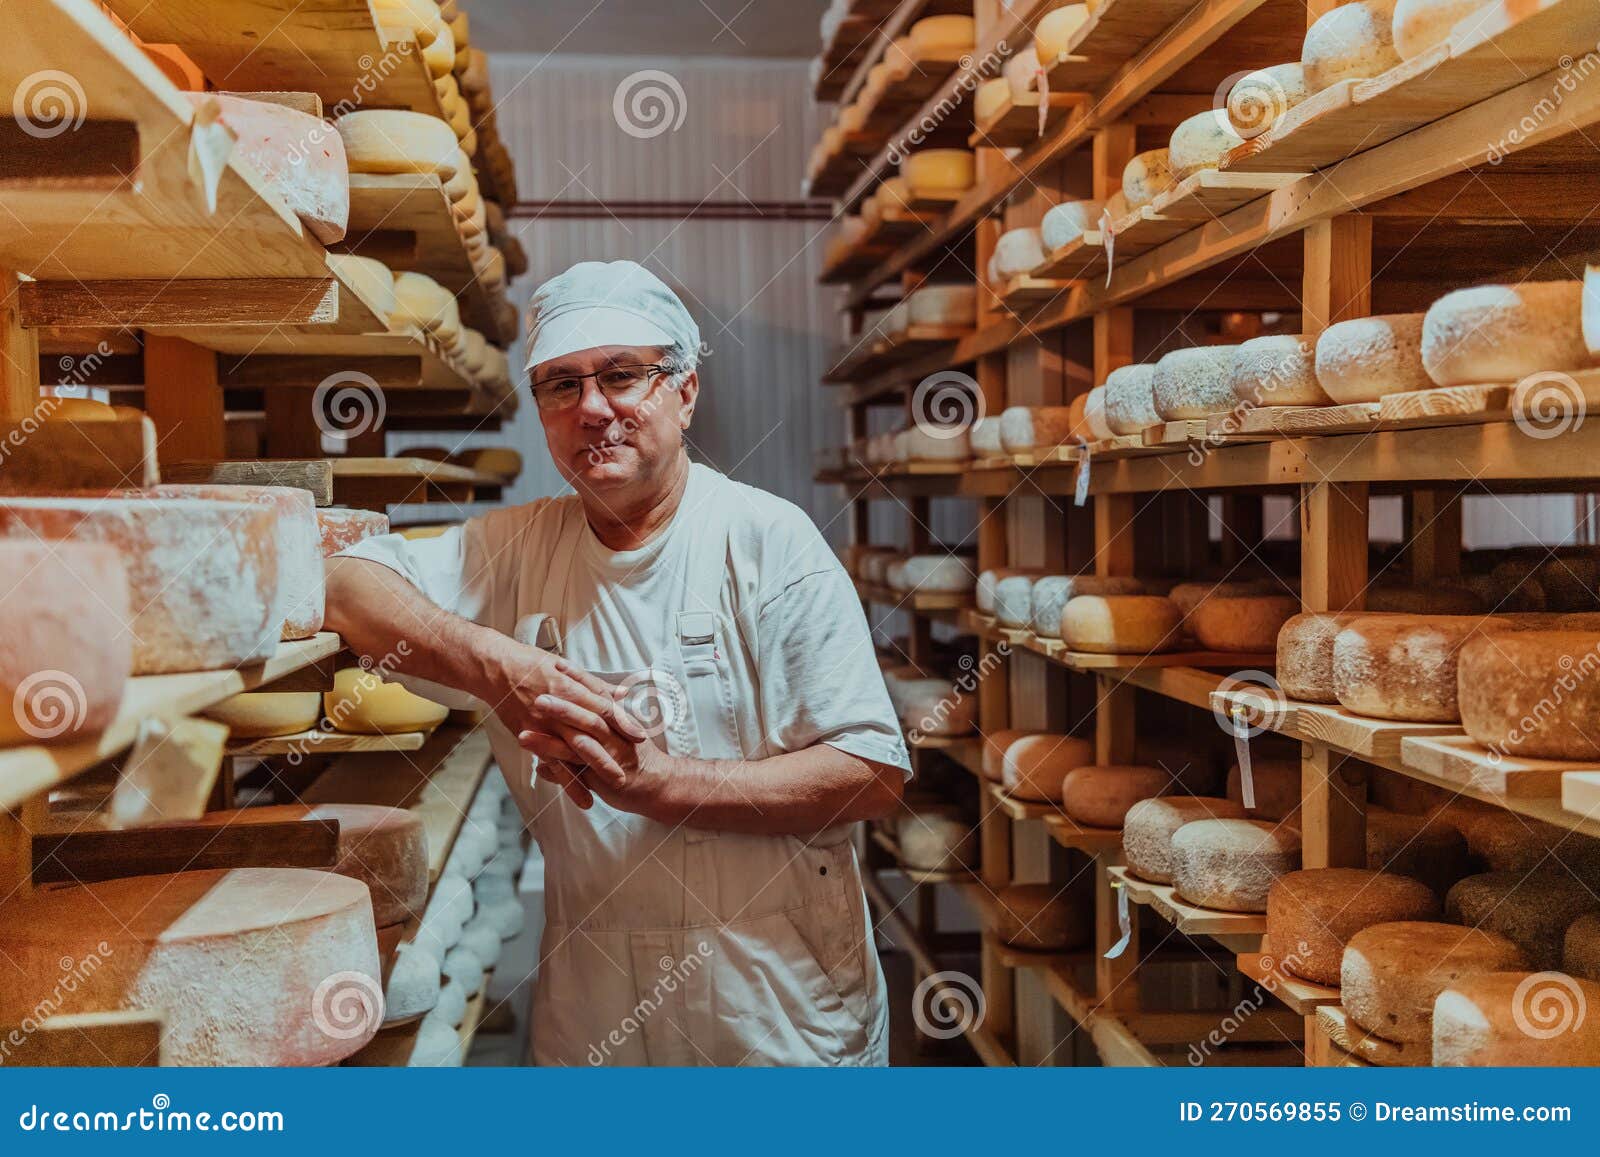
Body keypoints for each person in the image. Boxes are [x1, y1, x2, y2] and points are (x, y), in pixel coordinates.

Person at [325, 260, 909, 1066]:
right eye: (561, 385)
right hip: (598, 1003)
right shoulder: (517, 547)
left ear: (685, 391)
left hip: (777, 1005)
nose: (593, 409)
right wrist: (499, 663)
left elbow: (873, 772)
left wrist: (662, 785)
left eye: (622, 376)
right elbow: (346, 584)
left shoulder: (767, 542)